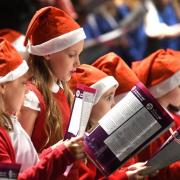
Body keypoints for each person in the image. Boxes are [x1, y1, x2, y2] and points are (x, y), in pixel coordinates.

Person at [0, 38, 85, 180]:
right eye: (22, 83)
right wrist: (61, 155)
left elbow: (31, 164)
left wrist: (58, 150)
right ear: (3, 87)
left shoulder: (10, 123)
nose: (27, 90)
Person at [69, 64, 148, 180]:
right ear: (88, 105)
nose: (113, 104)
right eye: (108, 97)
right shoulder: (76, 144)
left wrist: (129, 171)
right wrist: (125, 177)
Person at [132, 49, 180, 179]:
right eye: (179, 86)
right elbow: (156, 170)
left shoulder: (173, 115)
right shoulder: (153, 126)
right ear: (162, 89)